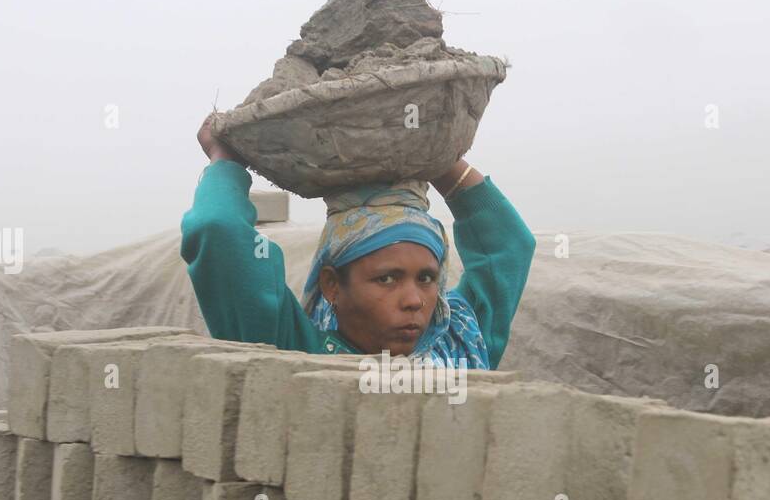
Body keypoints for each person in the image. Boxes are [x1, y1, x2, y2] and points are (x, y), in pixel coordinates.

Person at [179, 113, 536, 370]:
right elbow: (218, 230)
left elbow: (509, 247)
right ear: (332, 285)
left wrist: (441, 156)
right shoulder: (292, 352)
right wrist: (225, 160)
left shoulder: (460, 340)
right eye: (387, 278)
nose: (414, 301)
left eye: (427, 278)